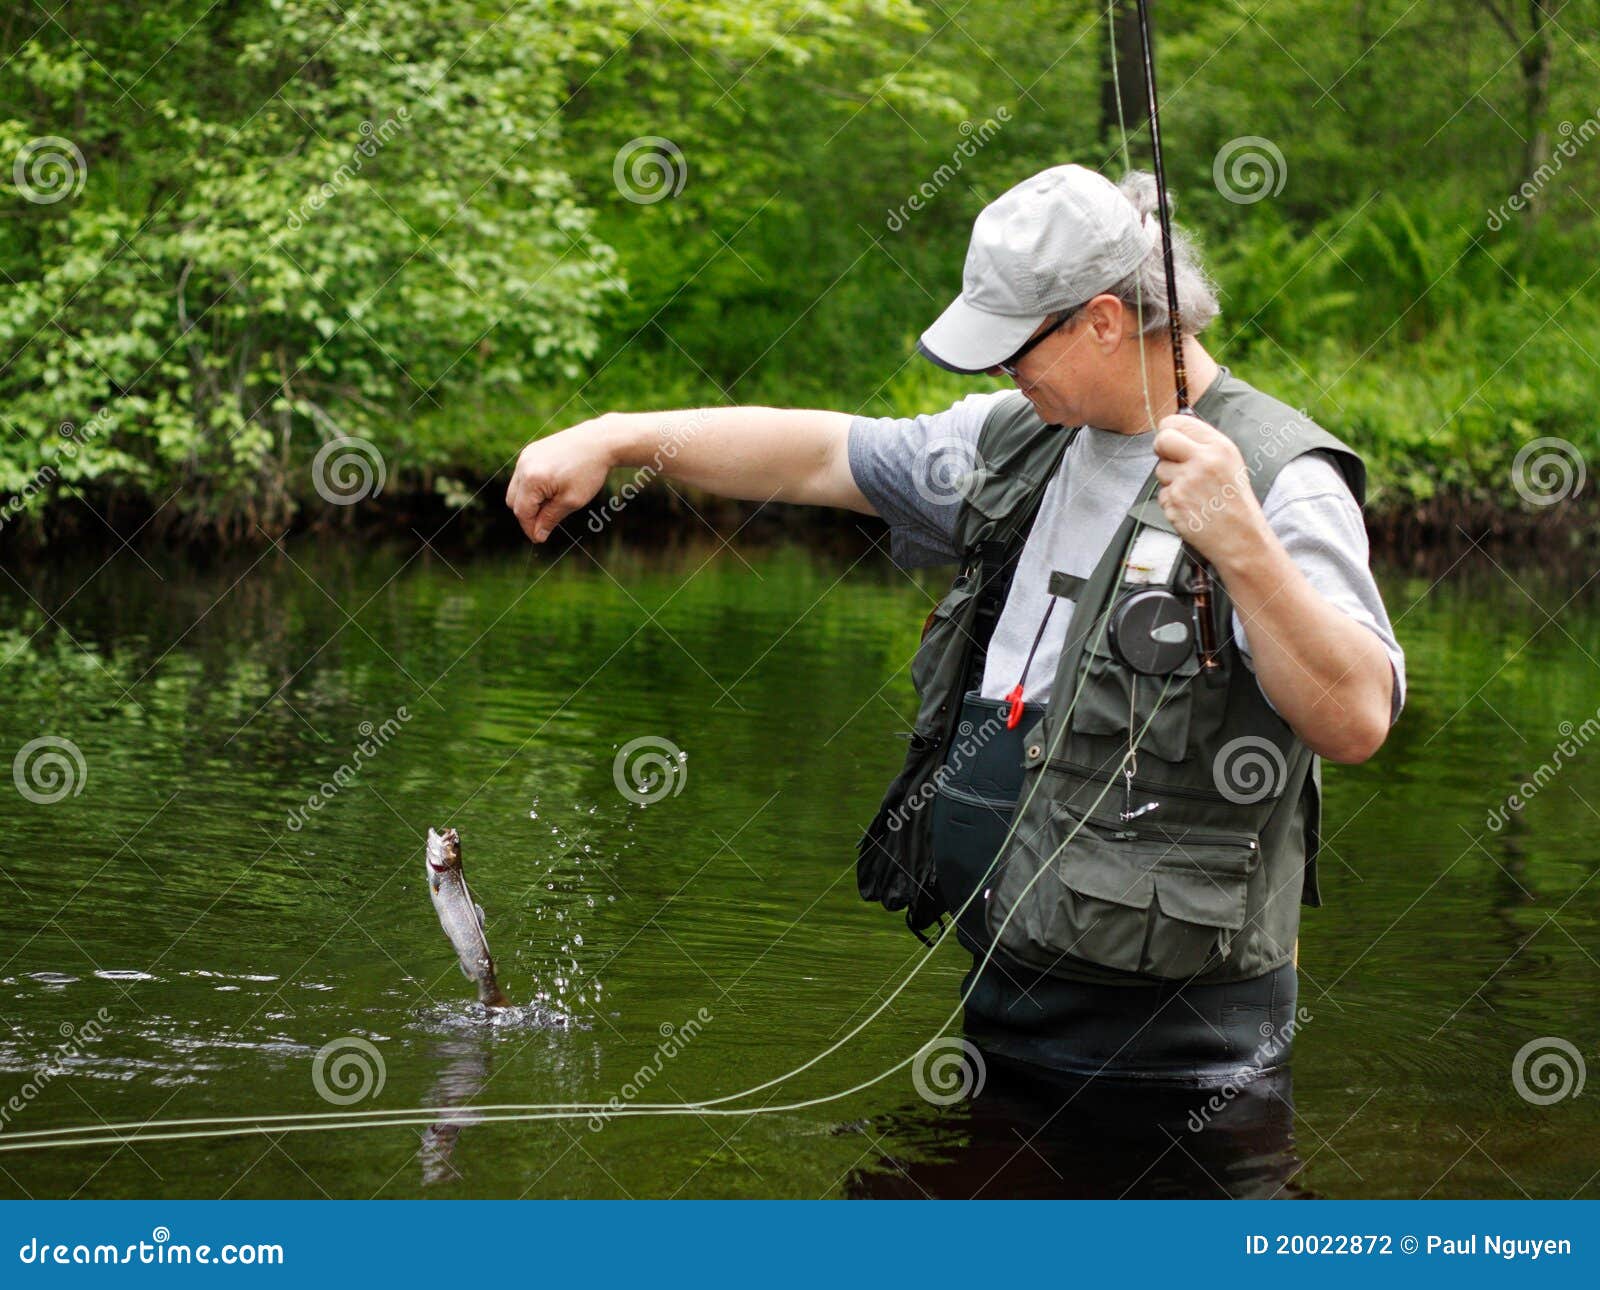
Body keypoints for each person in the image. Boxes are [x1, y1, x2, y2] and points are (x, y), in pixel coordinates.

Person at [505, 163, 1405, 1088]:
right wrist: (616, 437)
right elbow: (820, 455)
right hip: (1003, 995)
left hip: (1180, 1061)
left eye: (1017, 348)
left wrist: (1243, 543)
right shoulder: (1014, 438)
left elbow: (1357, 718)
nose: (1002, 372)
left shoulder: (1280, 479)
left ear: (1102, 319)